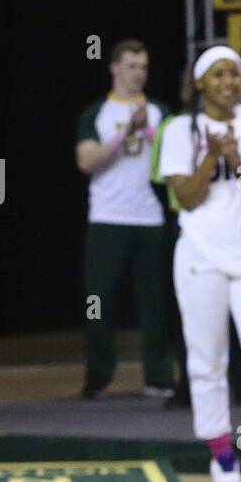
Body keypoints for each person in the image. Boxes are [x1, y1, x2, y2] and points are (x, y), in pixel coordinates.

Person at [154, 45, 241, 482]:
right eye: (218, 74)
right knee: (206, 359)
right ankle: (221, 453)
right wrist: (211, 156)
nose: (229, 82)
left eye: (234, 74)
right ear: (199, 84)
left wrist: (237, 161)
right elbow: (189, 197)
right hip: (201, 256)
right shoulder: (179, 129)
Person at [72, 39, 176, 401]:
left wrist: (148, 131)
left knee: (155, 302)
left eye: (144, 67)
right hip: (107, 219)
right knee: (99, 300)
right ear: (114, 68)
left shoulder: (161, 112)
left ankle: (159, 376)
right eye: (131, 66)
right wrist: (124, 133)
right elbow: (87, 161)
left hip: (149, 219)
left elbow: (173, 162)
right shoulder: (96, 113)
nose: (138, 74)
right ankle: (99, 375)